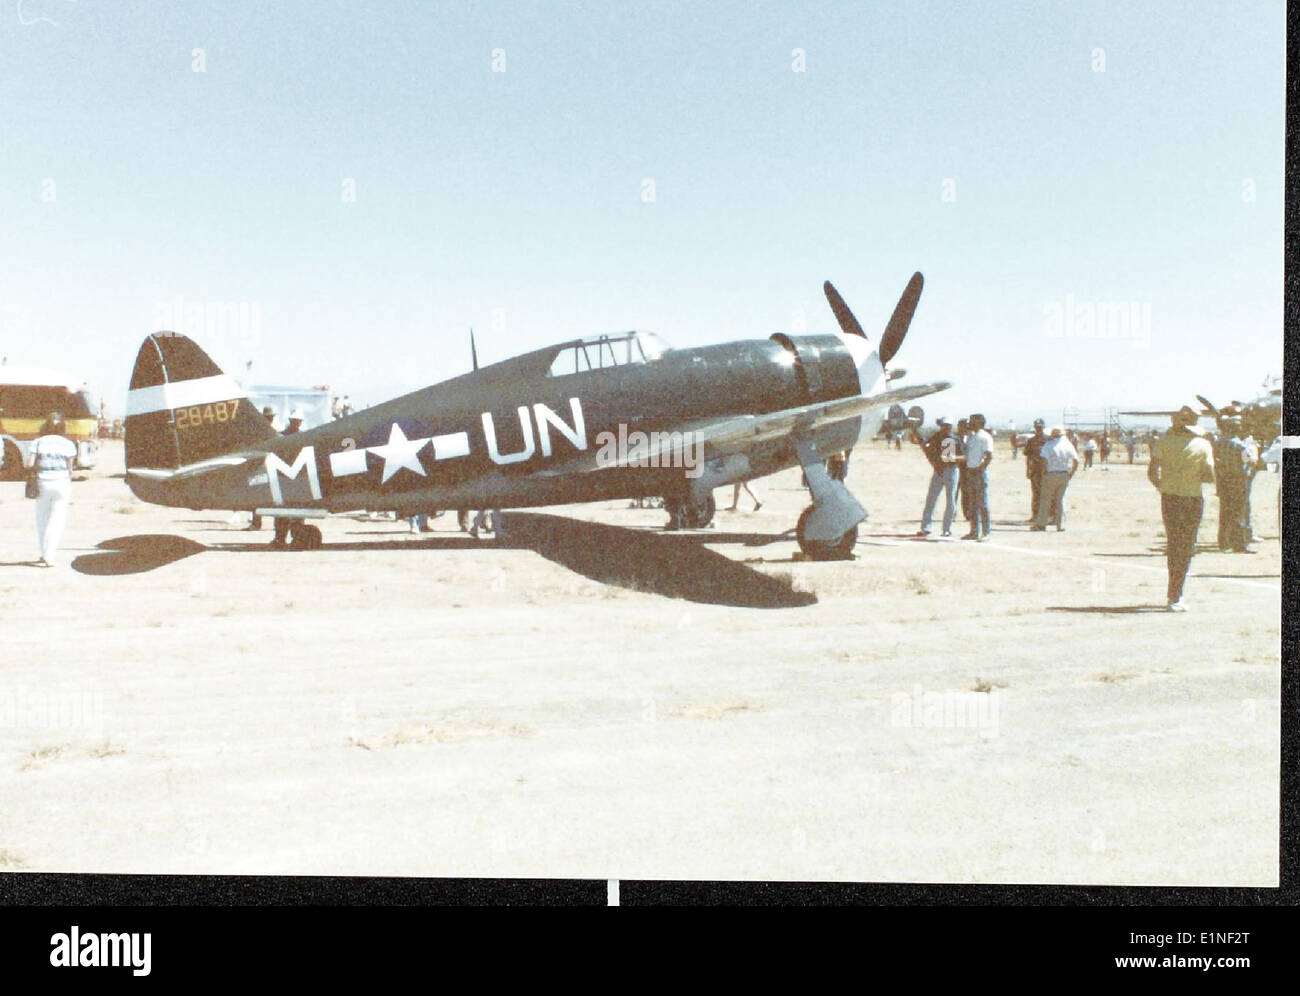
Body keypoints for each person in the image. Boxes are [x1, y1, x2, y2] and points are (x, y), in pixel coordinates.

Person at [1148, 405, 1215, 611]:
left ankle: (1173, 593)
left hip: (1169, 498)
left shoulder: (1163, 441)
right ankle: (1176, 594)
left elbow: (1152, 472)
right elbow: (1209, 475)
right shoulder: (1203, 445)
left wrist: (1163, 487)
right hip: (1192, 498)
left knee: (1173, 543)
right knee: (1186, 546)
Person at [26, 413, 78, 567]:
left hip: (43, 483)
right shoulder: (68, 444)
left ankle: (44, 553)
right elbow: (70, 469)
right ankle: (50, 554)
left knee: (42, 519)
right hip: (62, 484)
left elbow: (29, 464)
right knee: (57, 520)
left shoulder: (37, 442)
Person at [912, 416, 959, 537]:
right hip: (939, 471)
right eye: (943, 426)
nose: (945, 428)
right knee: (931, 499)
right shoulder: (937, 437)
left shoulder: (953, 439)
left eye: (947, 426)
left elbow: (960, 456)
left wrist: (952, 459)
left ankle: (947, 528)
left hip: (950, 470)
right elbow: (927, 447)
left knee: (950, 501)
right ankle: (926, 527)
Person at [1213, 416, 1251, 552]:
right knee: (1238, 511)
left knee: (1224, 512)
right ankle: (1239, 543)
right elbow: (1249, 461)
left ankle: (1223, 542)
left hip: (1223, 479)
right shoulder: (1240, 445)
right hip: (1238, 479)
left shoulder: (1218, 443)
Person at [1029, 425, 1078, 531]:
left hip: (1050, 473)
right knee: (1060, 500)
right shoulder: (1068, 445)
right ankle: (1061, 525)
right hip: (1064, 473)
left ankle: (1041, 524)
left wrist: (1044, 471)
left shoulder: (1049, 445)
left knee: (1045, 500)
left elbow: (1044, 460)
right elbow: (1076, 460)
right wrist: (1071, 473)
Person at [271, 409, 306, 548]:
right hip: (283, 477)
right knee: (282, 512)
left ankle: (295, 538)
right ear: (290, 421)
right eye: (294, 421)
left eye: (298, 421)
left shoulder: (303, 437)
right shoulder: (281, 436)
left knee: (296, 512)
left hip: (296, 478)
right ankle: (280, 538)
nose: (296, 423)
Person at [960, 413, 993, 540]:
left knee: (982, 503)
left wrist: (981, 468)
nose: (970, 424)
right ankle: (974, 531)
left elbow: (989, 455)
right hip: (970, 470)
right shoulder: (972, 436)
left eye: (973, 421)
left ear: (979, 422)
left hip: (979, 472)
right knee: (972, 503)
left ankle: (986, 532)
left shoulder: (985, 437)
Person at [1021, 419, 1048, 523]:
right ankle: (1035, 515)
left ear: (1043, 427)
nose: (1038, 429)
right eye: (1037, 427)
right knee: (1036, 494)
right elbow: (1028, 457)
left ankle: (1047, 516)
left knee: (1047, 494)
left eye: (1040, 427)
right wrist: (1027, 470)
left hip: (1046, 470)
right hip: (1035, 470)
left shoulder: (1048, 440)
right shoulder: (1031, 441)